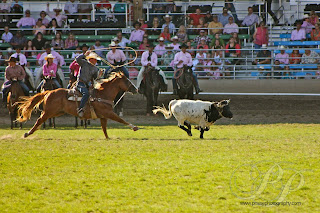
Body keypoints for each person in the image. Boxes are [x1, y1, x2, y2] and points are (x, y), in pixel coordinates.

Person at [75, 51, 104, 117]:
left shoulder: (95, 69)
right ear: (90, 59)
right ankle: (80, 108)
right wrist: (84, 54)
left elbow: (95, 79)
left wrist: (99, 75)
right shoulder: (84, 63)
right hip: (80, 83)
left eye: (96, 60)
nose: (95, 61)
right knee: (86, 94)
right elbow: (77, 59)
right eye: (94, 59)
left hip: (87, 84)